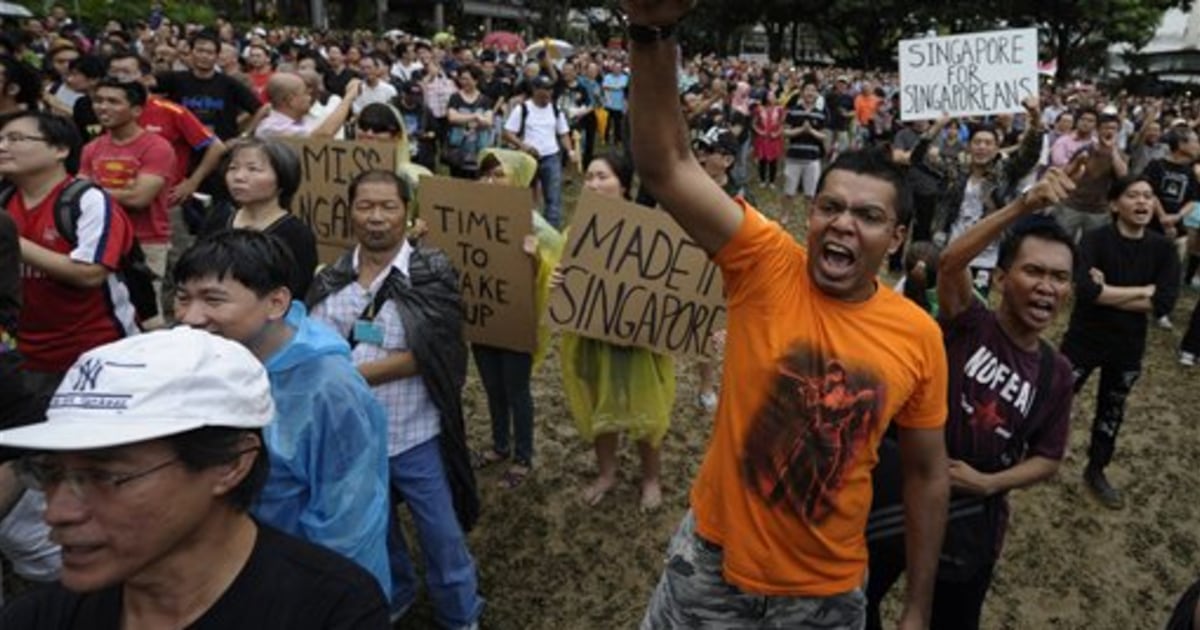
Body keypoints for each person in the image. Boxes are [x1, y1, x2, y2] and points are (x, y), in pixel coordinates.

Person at [624, 2, 949, 627]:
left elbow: (927, 474)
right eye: (831, 207)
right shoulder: (764, 261)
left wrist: (917, 606)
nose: (843, 224)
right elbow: (666, 164)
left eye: (869, 216)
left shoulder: (919, 335)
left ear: (898, 239)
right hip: (711, 568)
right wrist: (650, 30)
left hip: (825, 593)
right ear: (812, 214)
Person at [0, 328, 390, 629]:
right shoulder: (38, 618)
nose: (56, 512)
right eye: (48, 473)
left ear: (231, 463)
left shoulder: (332, 611)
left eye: (106, 476)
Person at [867, 169, 1079, 630]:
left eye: (1060, 277)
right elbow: (950, 263)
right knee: (855, 603)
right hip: (899, 491)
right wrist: (1023, 206)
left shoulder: (1056, 373)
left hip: (970, 519)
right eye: (1034, 271)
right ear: (1001, 278)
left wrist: (989, 483)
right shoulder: (969, 322)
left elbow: (1047, 458)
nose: (1047, 286)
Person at [173, 230, 393, 598]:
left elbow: (348, 517)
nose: (190, 317)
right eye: (183, 298)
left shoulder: (329, 390)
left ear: (276, 303)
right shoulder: (204, 357)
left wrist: (332, 603)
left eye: (213, 299)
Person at [307, 170, 483, 629]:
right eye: (365, 206)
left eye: (388, 206)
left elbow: (438, 352)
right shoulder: (332, 277)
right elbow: (312, 347)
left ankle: (460, 613)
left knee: (441, 535)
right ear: (350, 211)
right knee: (375, 528)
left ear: (407, 212)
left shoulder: (430, 273)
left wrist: (354, 375)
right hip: (353, 438)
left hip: (414, 433)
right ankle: (397, 591)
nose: (377, 217)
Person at [559, 152, 677, 511]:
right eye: (589, 177)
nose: (593, 184)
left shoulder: (649, 230)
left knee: (645, 410)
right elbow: (564, 283)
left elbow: (667, 286)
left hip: (637, 344)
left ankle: (651, 478)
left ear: (623, 185)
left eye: (602, 177)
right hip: (592, 339)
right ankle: (607, 473)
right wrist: (557, 282)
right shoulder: (575, 232)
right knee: (601, 407)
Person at [0, 110, 139, 398]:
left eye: (16, 138)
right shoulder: (5, 201)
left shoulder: (87, 200)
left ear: (60, 150)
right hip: (20, 356)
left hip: (96, 355)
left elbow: (89, 274)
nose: (3, 147)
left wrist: (9, 239)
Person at [1061, 176, 1179, 509]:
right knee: (1056, 394)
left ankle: (1096, 469)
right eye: (1133, 196)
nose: (1142, 202)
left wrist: (1108, 292)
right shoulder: (1095, 240)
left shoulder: (1163, 249)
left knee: (1112, 410)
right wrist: (1143, 291)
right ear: (1114, 204)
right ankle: (1034, 450)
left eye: (1148, 196)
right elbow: (1086, 291)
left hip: (1127, 345)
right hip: (1084, 338)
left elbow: (1164, 303)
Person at [469, 150, 563, 489]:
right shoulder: (471, 215)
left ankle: (523, 456)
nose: (489, 181)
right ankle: (499, 445)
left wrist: (534, 260)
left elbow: (551, 281)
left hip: (518, 321)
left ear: (519, 181)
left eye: (498, 174)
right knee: (491, 386)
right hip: (482, 318)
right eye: (484, 174)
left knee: (516, 389)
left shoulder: (538, 228)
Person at [78, 78, 176, 327]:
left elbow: (139, 198)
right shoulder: (91, 148)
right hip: (101, 239)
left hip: (146, 241)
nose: (103, 107)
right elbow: (78, 196)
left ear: (136, 110)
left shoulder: (157, 147)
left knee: (148, 318)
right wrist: (114, 192)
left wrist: (93, 192)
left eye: (113, 101)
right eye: (98, 101)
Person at [200, 137, 317, 299]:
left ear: (282, 178)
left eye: (253, 169)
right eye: (233, 168)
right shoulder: (219, 217)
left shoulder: (296, 234)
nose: (239, 177)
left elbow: (296, 292)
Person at [502, 74, 573, 228]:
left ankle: (551, 231)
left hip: (551, 157)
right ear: (534, 90)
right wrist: (523, 145)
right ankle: (525, 226)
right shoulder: (523, 109)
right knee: (526, 196)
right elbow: (507, 133)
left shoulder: (555, 110)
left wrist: (570, 151)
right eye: (544, 90)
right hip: (528, 158)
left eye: (550, 89)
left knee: (553, 197)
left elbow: (563, 133)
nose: (547, 93)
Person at [255, 72, 360, 139]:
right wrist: (349, 97)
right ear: (291, 100)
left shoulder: (299, 120)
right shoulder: (271, 128)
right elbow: (322, 136)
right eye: (305, 93)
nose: (309, 97)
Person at [781, 78, 828, 223]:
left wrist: (811, 131)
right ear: (802, 92)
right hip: (793, 157)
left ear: (817, 94)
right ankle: (785, 215)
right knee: (789, 191)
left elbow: (823, 136)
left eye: (813, 91)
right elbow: (785, 132)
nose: (810, 93)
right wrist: (801, 130)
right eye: (807, 90)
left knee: (810, 193)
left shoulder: (821, 114)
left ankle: (808, 218)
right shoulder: (793, 112)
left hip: (812, 159)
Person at [444, 65, 494, 179]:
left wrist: (466, 119)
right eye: (462, 79)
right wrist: (475, 116)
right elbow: (452, 117)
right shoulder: (455, 98)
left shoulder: (485, 100)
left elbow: (488, 121)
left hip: (478, 148)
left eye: (467, 79)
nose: (463, 82)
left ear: (476, 80)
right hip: (458, 149)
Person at [752, 88, 784, 186]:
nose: (772, 98)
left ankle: (771, 181)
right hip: (762, 139)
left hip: (774, 139)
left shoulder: (779, 109)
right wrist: (759, 131)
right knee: (762, 160)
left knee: (773, 161)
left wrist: (777, 133)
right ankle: (762, 180)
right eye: (770, 95)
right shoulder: (759, 109)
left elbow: (782, 124)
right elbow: (754, 123)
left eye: (773, 96)